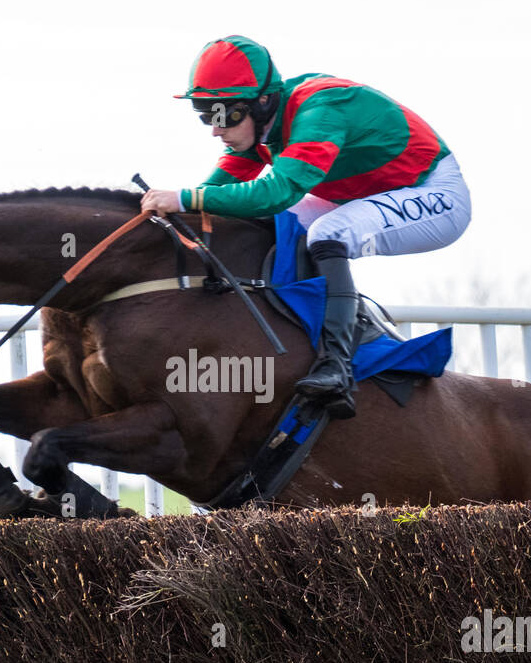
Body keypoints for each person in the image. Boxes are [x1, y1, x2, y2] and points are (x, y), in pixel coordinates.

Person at [141, 35, 472, 419]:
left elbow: (276, 191)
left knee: (327, 233)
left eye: (222, 114)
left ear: (262, 101)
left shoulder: (321, 110)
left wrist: (182, 199)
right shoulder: (259, 124)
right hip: (358, 196)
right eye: (205, 114)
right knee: (270, 226)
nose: (215, 129)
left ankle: (338, 367)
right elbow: (214, 195)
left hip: (434, 194)